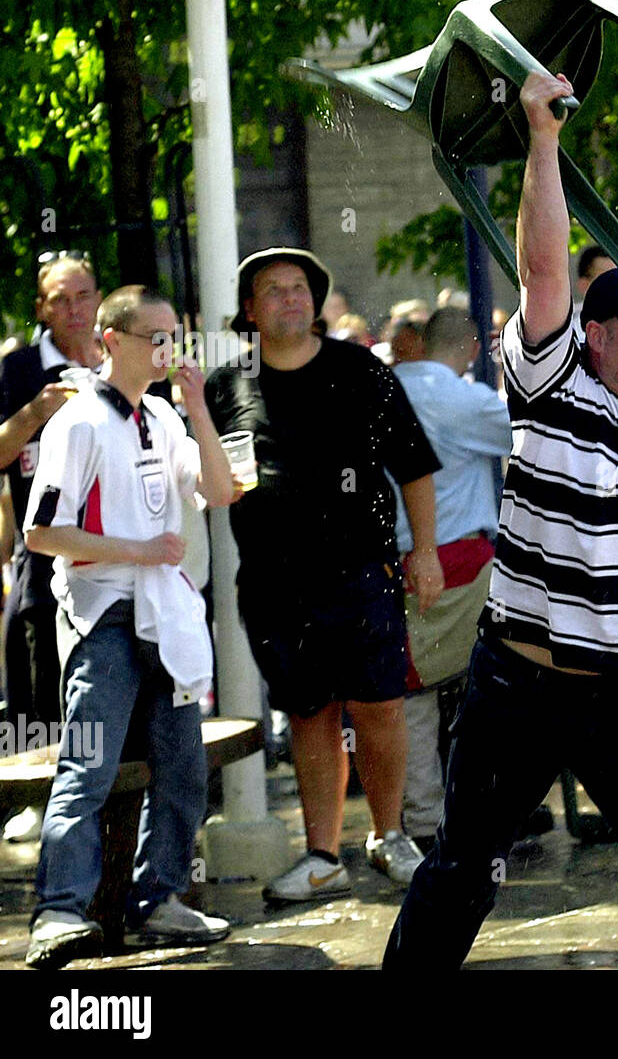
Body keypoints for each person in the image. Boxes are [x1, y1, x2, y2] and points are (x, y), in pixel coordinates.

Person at [385, 57, 618, 972]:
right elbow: (545, 262)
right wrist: (543, 141)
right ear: (599, 338)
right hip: (519, 680)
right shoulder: (548, 377)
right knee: (465, 867)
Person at [205, 247, 444, 904]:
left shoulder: (360, 370)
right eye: (274, 290)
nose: (291, 298)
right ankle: (320, 854)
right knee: (310, 715)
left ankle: (390, 835)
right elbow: (218, 480)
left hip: (362, 572)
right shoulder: (227, 385)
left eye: (300, 288)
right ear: (250, 311)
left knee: (381, 706)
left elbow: (414, 466)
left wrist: (424, 551)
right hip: (275, 583)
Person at [23, 286, 233, 969]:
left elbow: (222, 491)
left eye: (175, 338)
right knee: (88, 765)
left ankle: (159, 897)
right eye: (155, 338)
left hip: (162, 615)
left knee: (183, 766)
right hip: (104, 612)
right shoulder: (79, 423)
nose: (168, 351)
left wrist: (199, 409)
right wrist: (137, 551)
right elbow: (40, 531)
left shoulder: (165, 416)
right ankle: (58, 909)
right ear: (113, 340)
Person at [390, 308, 512, 852]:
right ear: (469, 347)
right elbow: (530, 435)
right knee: (482, 689)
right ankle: (480, 809)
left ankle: (423, 817)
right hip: (458, 558)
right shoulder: (466, 399)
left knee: (412, 695)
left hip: (393, 562)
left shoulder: (383, 387)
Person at [0, 253, 104, 843]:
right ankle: (42, 799)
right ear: (42, 308)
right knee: (43, 672)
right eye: (59, 299)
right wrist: (35, 412)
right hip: (44, 557)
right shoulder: (18, 369)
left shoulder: (123, 360)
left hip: (116, 551)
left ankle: (118, 797)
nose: (73, 309)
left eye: (82, 296)